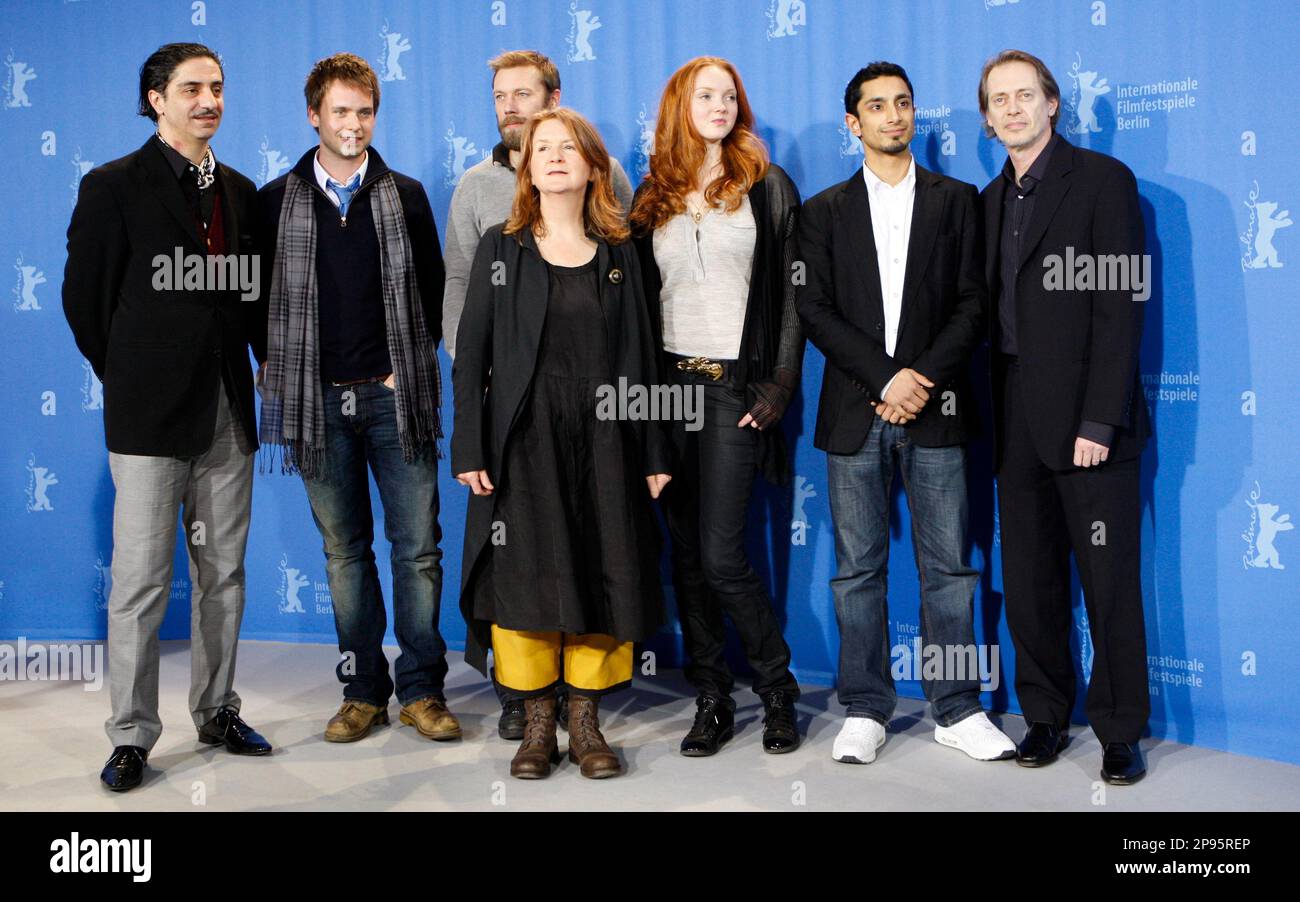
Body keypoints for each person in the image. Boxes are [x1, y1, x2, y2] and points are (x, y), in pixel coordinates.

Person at [63, 42, 271, 792]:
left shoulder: (242, 191)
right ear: (156, 99)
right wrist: (129, 379)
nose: (209, 100)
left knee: (224, 576)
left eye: (217, 87)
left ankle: (217, 711)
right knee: (142, 583)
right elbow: (85, 303)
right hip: (148, 421)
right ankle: (131, 736)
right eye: (192, 88)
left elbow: (248, 299)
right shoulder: (113, 186)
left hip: (225, 415)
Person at [797, 62, 1015, 766]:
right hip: (855, 411)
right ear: (853, 124)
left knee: (949, 568)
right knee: (856, 570)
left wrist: (919, 378)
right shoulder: (821, 211)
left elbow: (975, 304)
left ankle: (955, 707)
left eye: (904, 103)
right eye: (877, 106)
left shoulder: (960, 202)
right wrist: (886, 376)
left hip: (938, 409)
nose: (894, 115)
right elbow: (815, 311)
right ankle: (865, 706)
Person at [452, 108, 670, 780]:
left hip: (607, 439)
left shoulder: (621, 253)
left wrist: (656, 453)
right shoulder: (501, 247)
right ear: (525, 166)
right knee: (526, 578)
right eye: (540, 148)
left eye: (567, 148)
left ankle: (587, 723)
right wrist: (469, 446)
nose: (552, 157)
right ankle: (537, 725)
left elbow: (643, 357)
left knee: (604, 569)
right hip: (523, 442)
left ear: (592, 165)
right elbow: (472, 354)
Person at [258, 53, 458, 745]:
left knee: (419, 550)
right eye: (340, 111)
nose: (353, 124)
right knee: (345, 554)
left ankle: (424, 690)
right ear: (314, 116)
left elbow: (433, 294)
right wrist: (290, 378)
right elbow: (261, 310)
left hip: (393, 401)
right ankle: (363, 691)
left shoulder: (403, 194)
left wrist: (410, 367)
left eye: (365, 111)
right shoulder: (276, 200)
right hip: (318, 407)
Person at [977, 50, 1151, 784]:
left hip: (1087, 422)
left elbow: (1120, 309)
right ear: (987, 118)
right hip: (1011, 416)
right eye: (999, 100)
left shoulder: (1103, 183)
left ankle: (1118, 731)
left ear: (1052, 104)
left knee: (1108, 581)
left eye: (1026, 95)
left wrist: (1100, 421)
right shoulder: (986, 201)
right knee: (1030, 578)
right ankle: (1044, 717)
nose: (1013, 108)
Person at [630, 57, 804, 757]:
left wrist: (780, 383)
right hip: (669, 392)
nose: (721, 104)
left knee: (723, 554)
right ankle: (711, 698)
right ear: (679, 103)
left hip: (737, 389)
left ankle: (776, 689)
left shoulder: (766, 185)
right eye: (707, 94)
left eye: (730, 95)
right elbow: (638, 314)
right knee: (687, 558)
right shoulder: (652, 194)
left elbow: (795, 292)